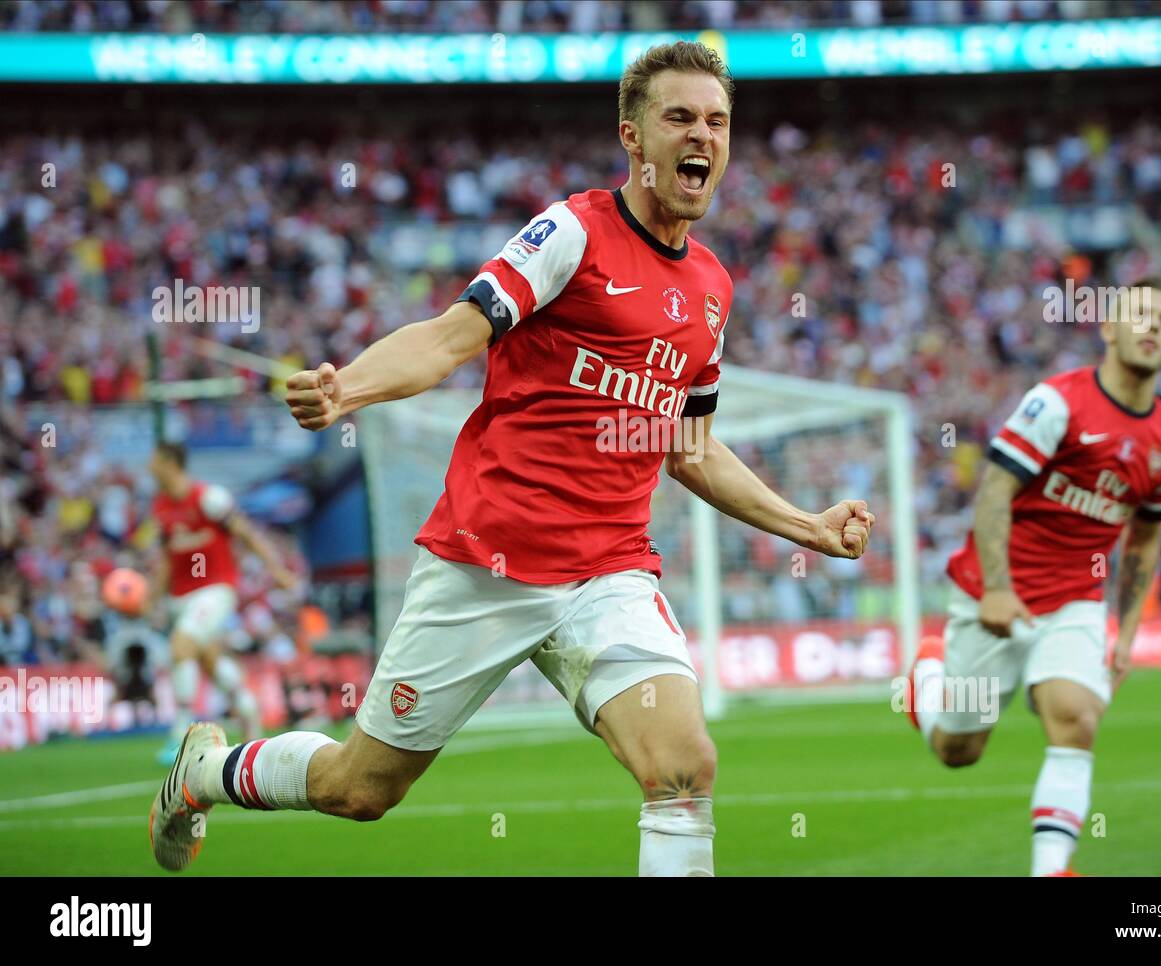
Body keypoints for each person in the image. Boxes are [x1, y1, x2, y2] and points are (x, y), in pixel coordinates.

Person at [149, 41, 874, 876]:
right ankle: (206, 771)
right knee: (362, 789)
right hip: (487, 563)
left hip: (608, 575)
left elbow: (691, 450)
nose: (700, 135)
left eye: (716, 120)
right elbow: (449, 339)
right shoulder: (570, 233)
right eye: (678, 117)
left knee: (683, 767)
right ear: (633, 137)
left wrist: (807, 527)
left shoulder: (712, 289)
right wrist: (347, 389)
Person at [904, 279, 1161, 876]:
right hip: (993, 594)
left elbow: (1145, 536)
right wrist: (1000, 588)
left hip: (1075, 602)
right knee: (958, 750)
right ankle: (926, 682)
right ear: (1108, 329)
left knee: (1076, 715)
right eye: (1142, 315)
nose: (1155, 327)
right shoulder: (1057, 404)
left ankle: (1052, 868)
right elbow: (995, 490)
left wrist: (1128, 633)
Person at [148, 441, 297, 766]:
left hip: (215, 590)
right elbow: (165, 559)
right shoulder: (160, 507)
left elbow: (246, 533)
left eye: (154, 461)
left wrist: (276, 568)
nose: (149, 468)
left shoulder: (208, 498)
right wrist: (151, 598)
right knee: (211, 663)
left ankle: (181, 734)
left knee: (181, 646)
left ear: (170, 463)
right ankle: (248, 710)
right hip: (180, 597)